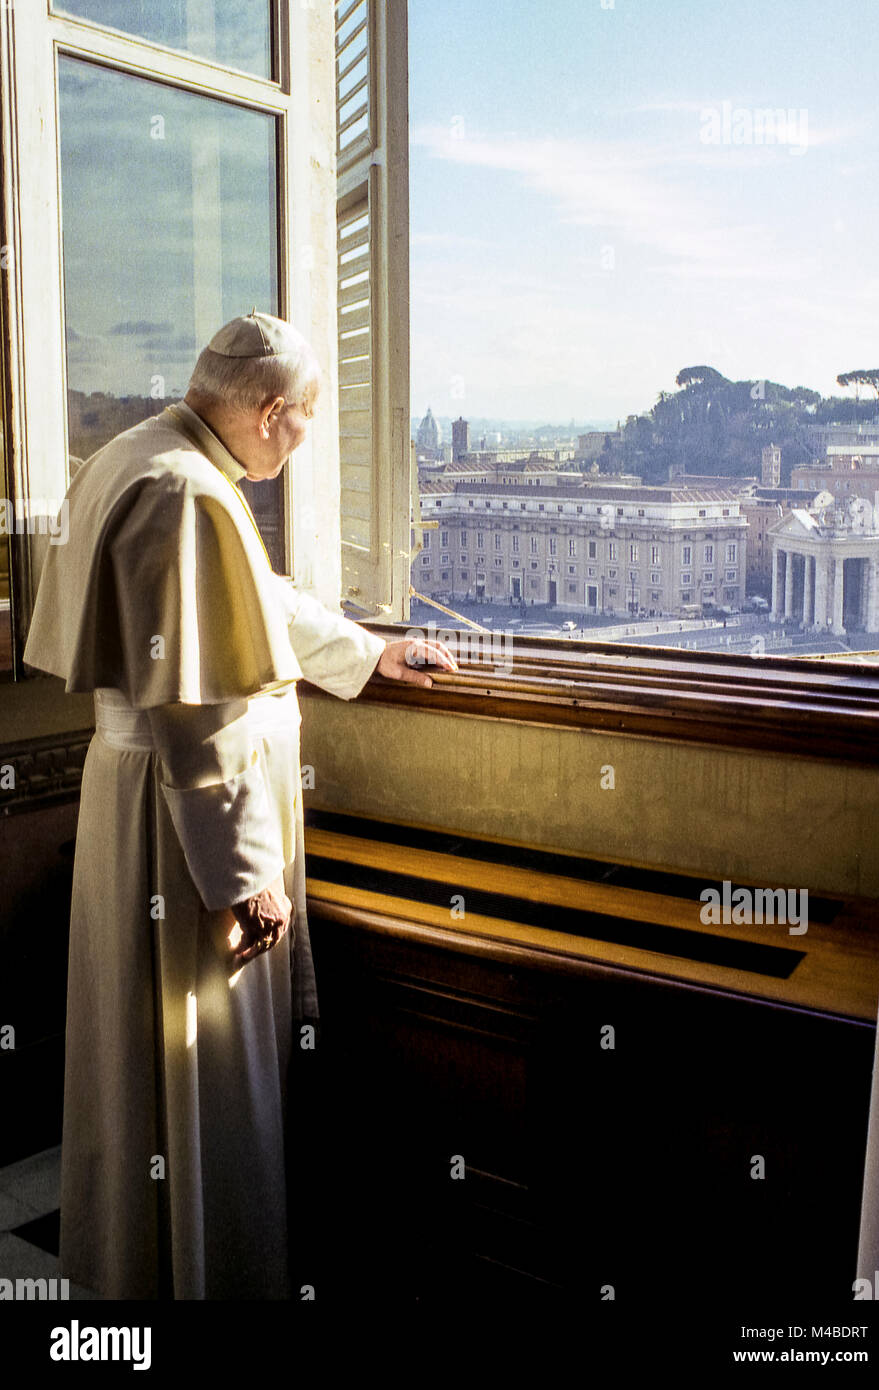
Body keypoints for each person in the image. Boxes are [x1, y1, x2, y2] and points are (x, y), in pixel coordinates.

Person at [23, 312, 456, 1300]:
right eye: (304, 423)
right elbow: (197, 705)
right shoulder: (186, 494)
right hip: (188, 829)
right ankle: (206, 1272)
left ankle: (141, 1263)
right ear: (271, 413)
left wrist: (369, 652)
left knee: (145, 1066)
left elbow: (254, 603)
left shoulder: (148, 456)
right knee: (203, 1059)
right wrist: (245, 876)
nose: (299, 445)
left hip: (144, 801)